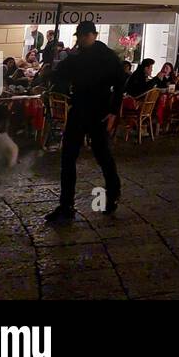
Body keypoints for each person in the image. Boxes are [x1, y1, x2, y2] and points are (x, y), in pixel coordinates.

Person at [45, 21, 125, 222]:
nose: (79, 40)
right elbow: (61, 75)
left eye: (83, 36)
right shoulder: (76, 55)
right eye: (78, 36)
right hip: (79, 108)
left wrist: (113, 111)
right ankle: (66, 205)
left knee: (102, 155)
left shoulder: (107, 56)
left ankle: (113, 193)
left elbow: (120, 83)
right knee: (68, 157)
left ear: (93, 35)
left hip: (98, 111)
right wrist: (52, 69)